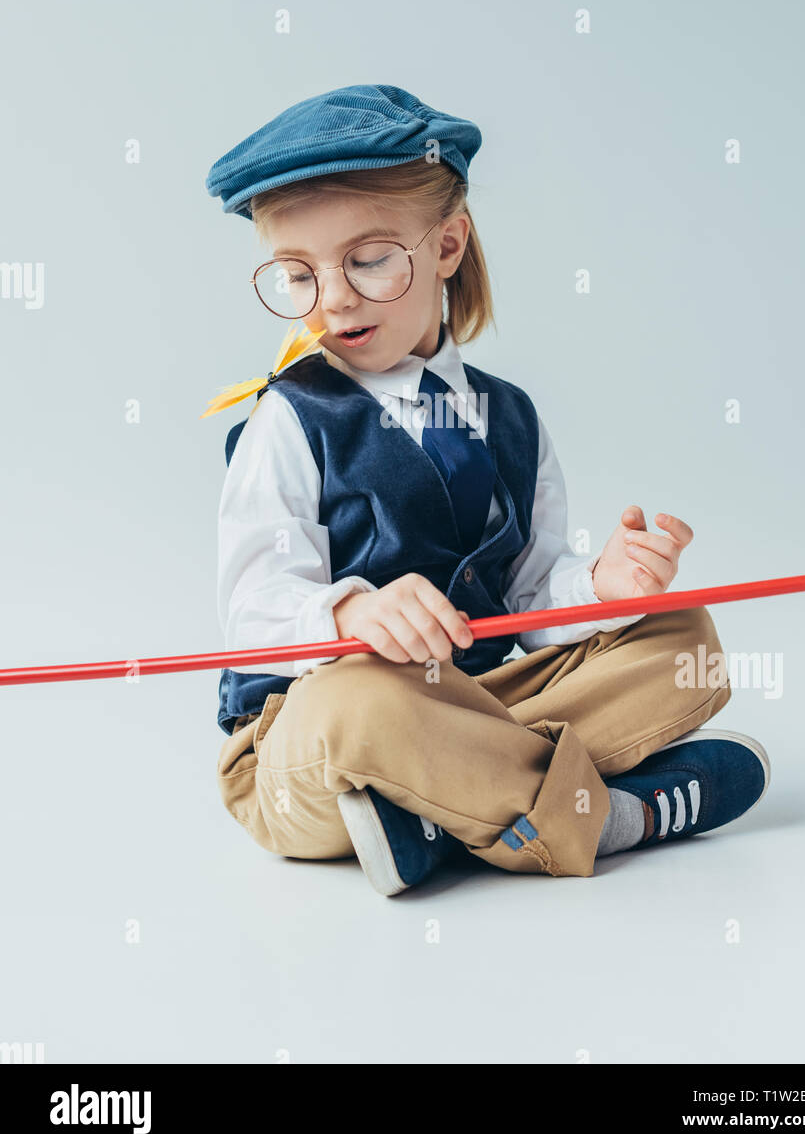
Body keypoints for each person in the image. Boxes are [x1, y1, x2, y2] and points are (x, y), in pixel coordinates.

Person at [205, 83, 769, 897]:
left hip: (468, 704)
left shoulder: (511, 417)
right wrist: (352, 614)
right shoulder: (289, 422)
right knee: (362, 705)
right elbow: (253, 611)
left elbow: (531, 597)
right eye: (298, 275)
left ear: (447, 245)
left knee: (678, 636)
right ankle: (615, 816)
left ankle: (437, 813)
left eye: (366, 261)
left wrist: (601, 591)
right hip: (314, 750)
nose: (330, 299)